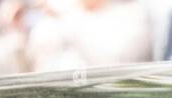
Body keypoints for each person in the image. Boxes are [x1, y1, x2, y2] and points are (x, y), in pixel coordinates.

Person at [23, 0, 153, 73]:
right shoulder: (65, 15)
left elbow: (114, 63)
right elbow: (35, 62)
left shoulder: (132, 14)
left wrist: (62, 19)